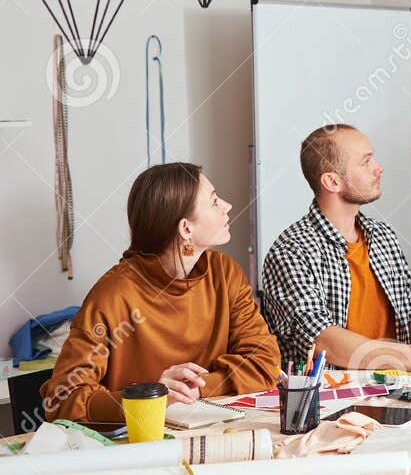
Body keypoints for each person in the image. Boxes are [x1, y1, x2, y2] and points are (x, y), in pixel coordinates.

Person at [44, 164, 280, 424]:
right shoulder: (113, 294)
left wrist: (196, 388)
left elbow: (264, 360)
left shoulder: (224, 274)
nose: (227, 206)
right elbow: (61, 399)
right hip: (137, 447)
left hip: (211, 431)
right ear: (186, 229)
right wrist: (150, 397)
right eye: (213, 201)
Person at [261, 123, 411, 372]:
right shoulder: (291, 251)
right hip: (335, 398)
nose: (379, 167)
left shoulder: (382, 235)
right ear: (332, 181)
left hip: (402, 386)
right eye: (366, 162)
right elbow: (321, 340)